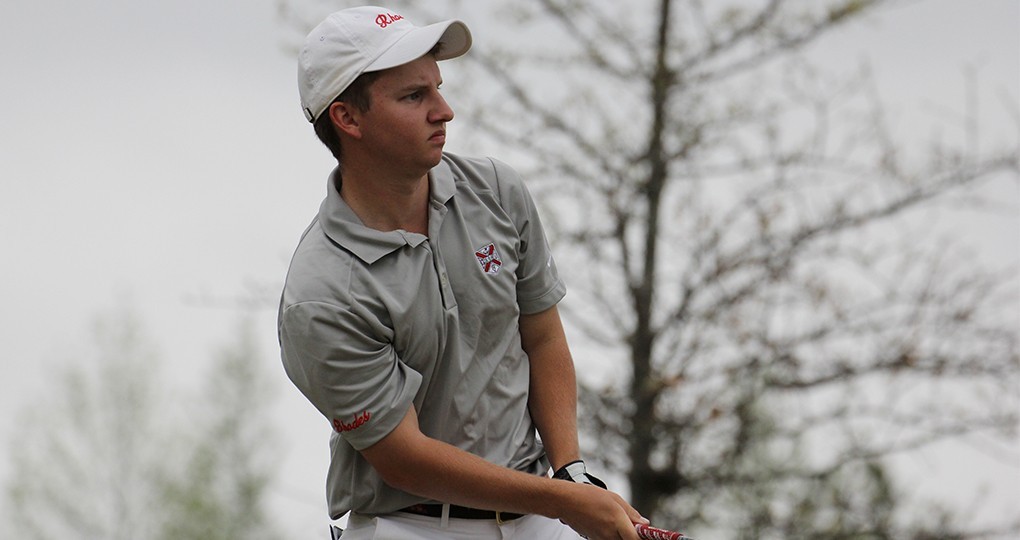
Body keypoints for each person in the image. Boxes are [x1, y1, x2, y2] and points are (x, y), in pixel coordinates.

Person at [278, 6, 647, 539]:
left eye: (438, 88)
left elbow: (541, 336)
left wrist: (571, 471)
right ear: (348, 119)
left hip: (538, 515)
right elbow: (405, 459)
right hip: (407, 526)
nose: (444, 111)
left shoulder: (497, 191)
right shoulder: (321, 296)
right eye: (414, 96)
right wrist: (563, 500)